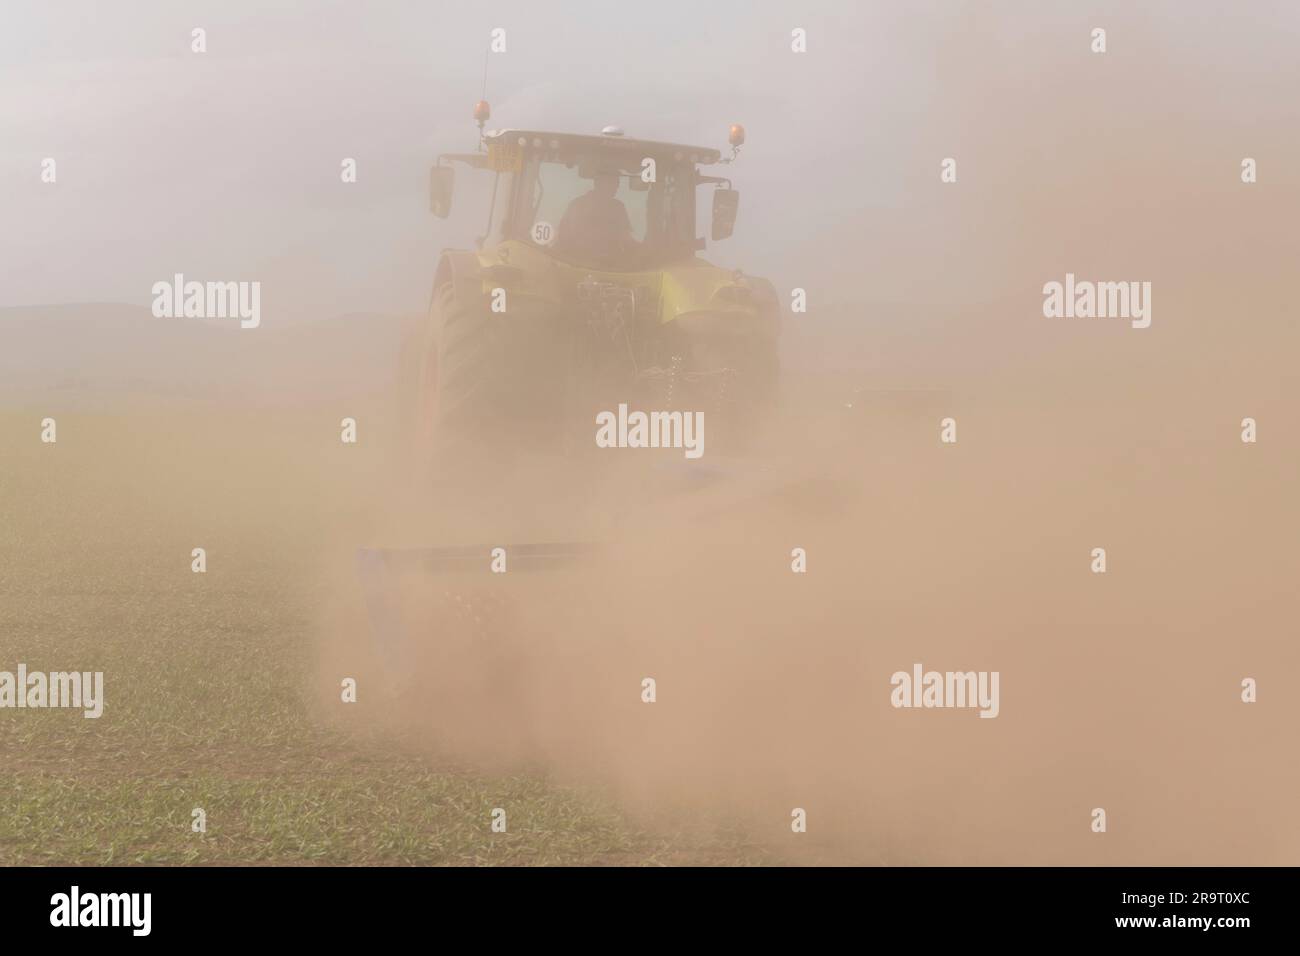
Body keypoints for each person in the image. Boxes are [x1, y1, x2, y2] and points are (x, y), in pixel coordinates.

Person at [556, 171, 634, 261]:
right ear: (598, 184)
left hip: (589, 262)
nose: (616, 188)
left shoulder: (577, 203)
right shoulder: (617, 207)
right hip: (600, 263)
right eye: (613, 184)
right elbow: (625, 238)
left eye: (616, 184)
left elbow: (625, 237)